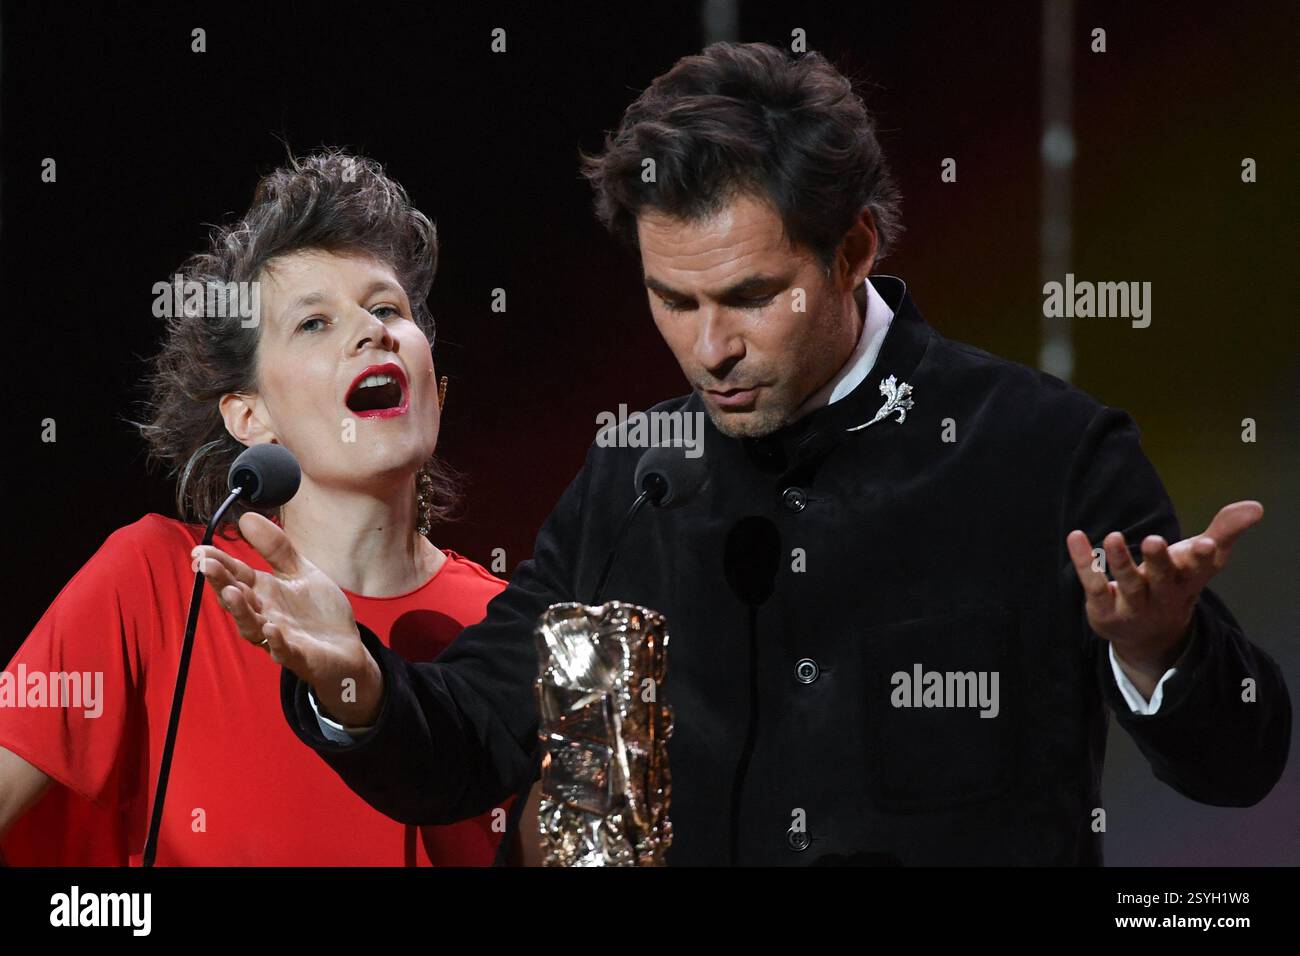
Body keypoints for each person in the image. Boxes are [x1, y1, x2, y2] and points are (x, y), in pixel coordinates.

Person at [195, 44, 1290, 865]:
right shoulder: (630, 477)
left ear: (853, 247)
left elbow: (1242, 764)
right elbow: (476, 738)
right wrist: (354, 681)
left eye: (750, 296)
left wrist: (1161, 649)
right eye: (672, 299)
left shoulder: (1046, 452)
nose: (708, 346)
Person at [0, 151, 520, 866]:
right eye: (313, 323)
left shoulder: (515, 629)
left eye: (387, 308)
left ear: (437, 387)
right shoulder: (156, 581)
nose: (371, 332)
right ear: (250, 417)